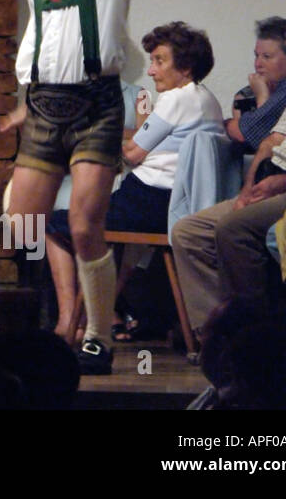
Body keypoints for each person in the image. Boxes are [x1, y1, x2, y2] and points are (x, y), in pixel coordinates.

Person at [0, 0, 162, 375]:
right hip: (45, 106)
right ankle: (57, 320)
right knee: (22, 218)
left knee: (85, 223)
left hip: (95, 104)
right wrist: (23, 104)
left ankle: (97, 332)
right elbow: (38, 45)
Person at [172, 0, 286, 334]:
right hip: (271, 184)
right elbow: (269, 141)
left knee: (234, 230)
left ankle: (258, 342)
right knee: (188, 232)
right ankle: (217, 337)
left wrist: (282, 183)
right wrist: (248, 189)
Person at [43, 22, 223, 346]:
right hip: (175, 204)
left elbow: (134, 153)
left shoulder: (175, 99)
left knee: (56, 223)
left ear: (185, 66)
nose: (152, 71)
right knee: (105, 230)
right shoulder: (207, 99)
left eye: (159, 61)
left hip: (149, 200)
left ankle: (71, 320)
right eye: (151, 61)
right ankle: (87, 319)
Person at [226, 14, 286, 152]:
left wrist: (262, 98)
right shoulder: (246, 96)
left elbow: (251, 134)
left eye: (267, 56)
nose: (258, 64)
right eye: (256, 55)